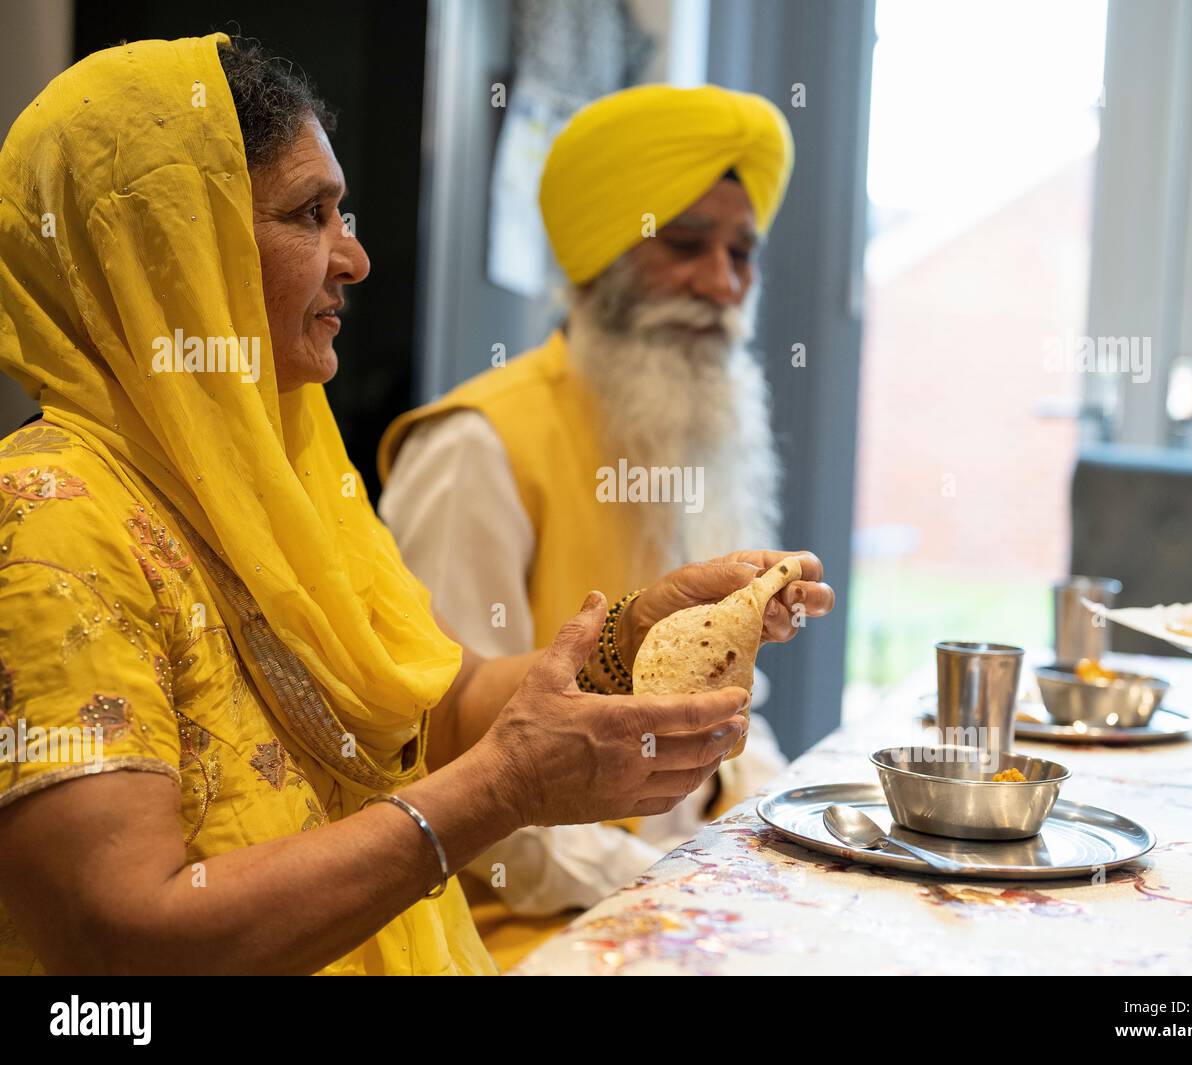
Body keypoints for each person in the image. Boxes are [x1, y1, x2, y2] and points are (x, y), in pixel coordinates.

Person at [0, 34, 834, 975]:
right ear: (169, 246)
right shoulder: (50, 513)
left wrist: (637, 630)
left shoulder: (290, 477)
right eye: (308, 215)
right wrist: (498, 792)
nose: (353, 257)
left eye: (343, 212)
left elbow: (429, 710)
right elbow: (120, 938)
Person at [377, 84, 798, 967]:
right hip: (523, 929)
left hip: (681, 892)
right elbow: (441, 772)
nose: (722, 285)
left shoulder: (691, 429)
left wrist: (786, 833)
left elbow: (724, 734)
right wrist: (683, 883)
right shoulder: (477, 447)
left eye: (742, 253)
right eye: (685, 246)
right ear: (600, 258)